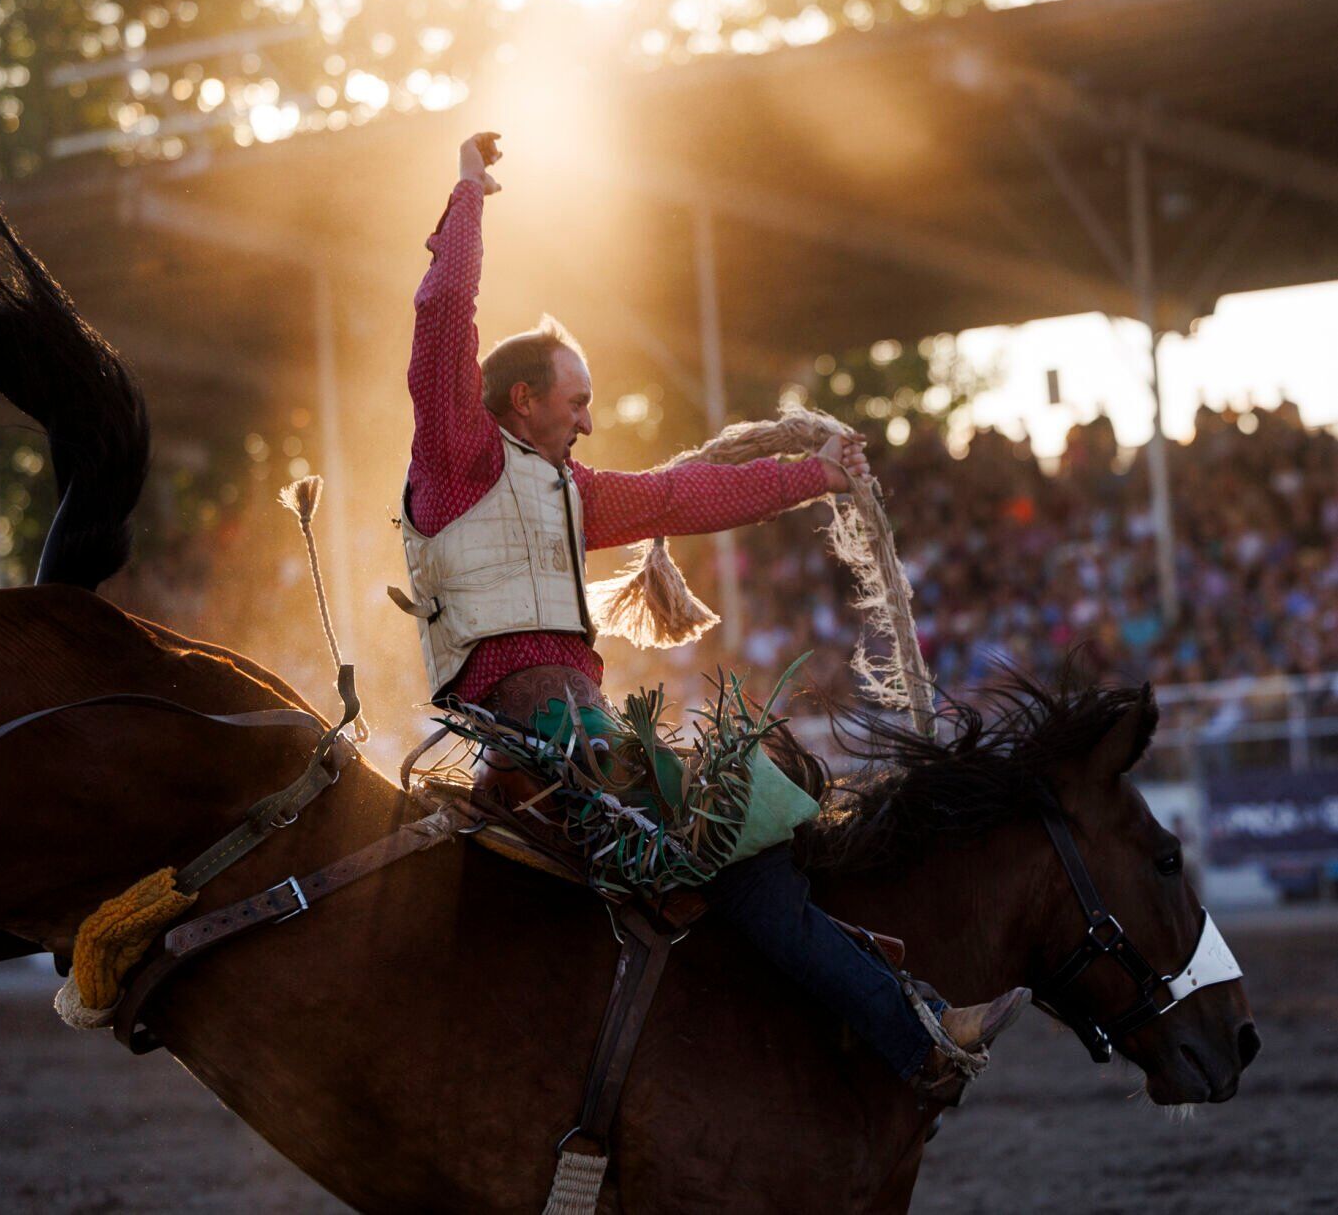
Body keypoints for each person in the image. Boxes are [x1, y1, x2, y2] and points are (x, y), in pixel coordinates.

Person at [394, 132, 1029, 1100]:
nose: (589, 422)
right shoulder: (456, 457)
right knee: (736, 826)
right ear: (521, 400)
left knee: (762, 818)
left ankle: (884, 1010)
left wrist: (814, 476)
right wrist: (468, 198)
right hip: (542, 733)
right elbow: (443, 318)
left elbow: (682, 496)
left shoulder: (568, 490)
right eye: (577, 402)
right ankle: (910, 1030)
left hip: (574, 731)